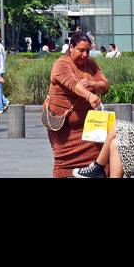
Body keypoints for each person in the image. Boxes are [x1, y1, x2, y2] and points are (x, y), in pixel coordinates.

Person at [44, 32, 110, 177]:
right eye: (81, 50)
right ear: (71, 47)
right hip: (63, 127)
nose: (85, 54)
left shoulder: (91, 64)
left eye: (88, 50)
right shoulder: (61, 63)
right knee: (63, 163)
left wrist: (93, 83)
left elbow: (105, 85)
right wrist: (89, 94)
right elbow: (72, 84)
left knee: (101, 162)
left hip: (88, 127)